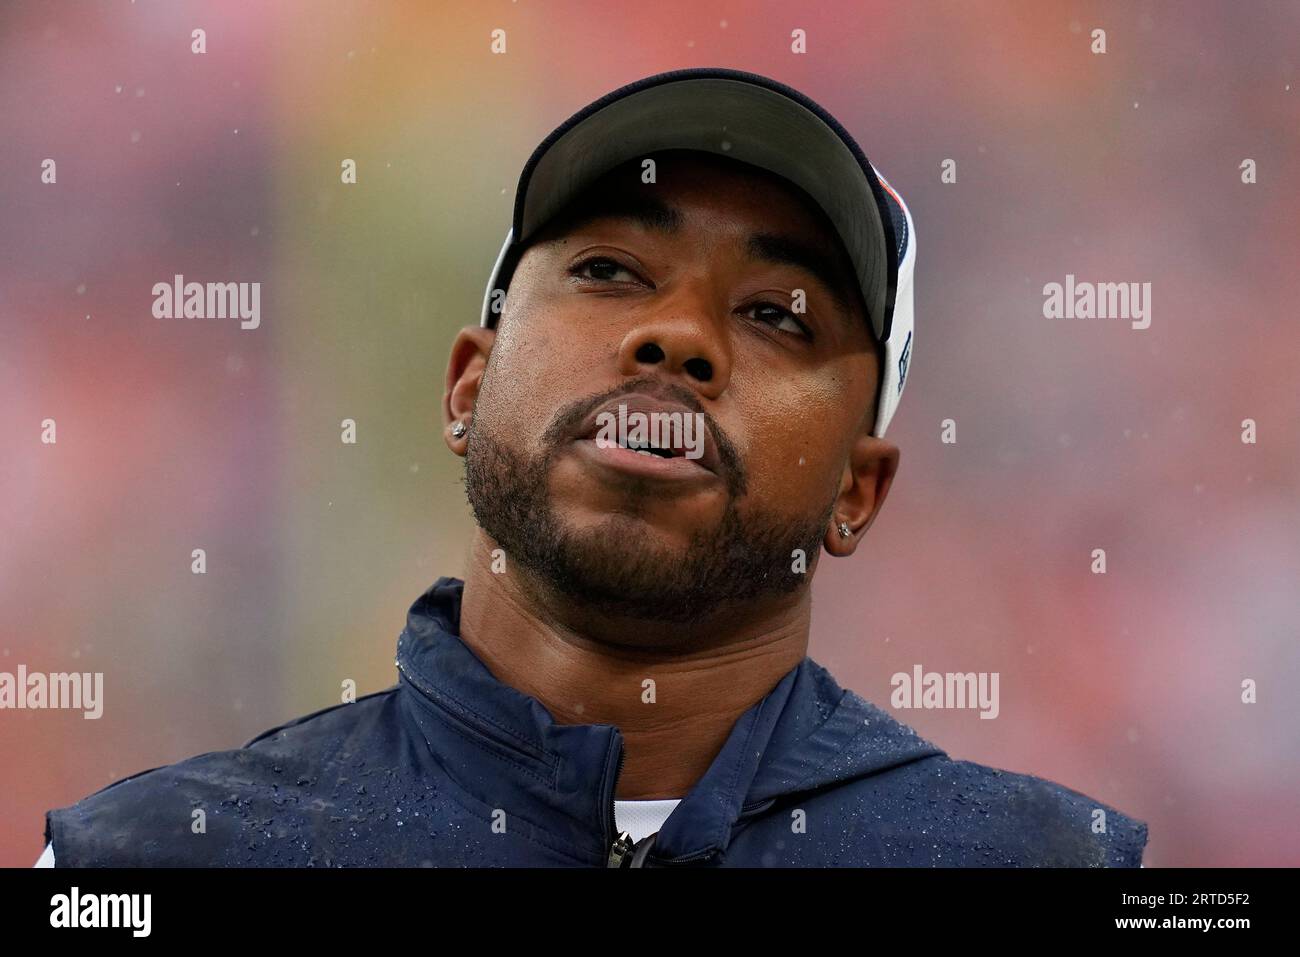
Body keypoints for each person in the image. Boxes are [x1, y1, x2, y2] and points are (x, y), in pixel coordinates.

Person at [40, 68, 1146, 867]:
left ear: (857, 491)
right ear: (467, 387)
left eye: (775, 314)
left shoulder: (1054, 863)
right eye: (611, 269)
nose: (678, 337)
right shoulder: (136, 867)